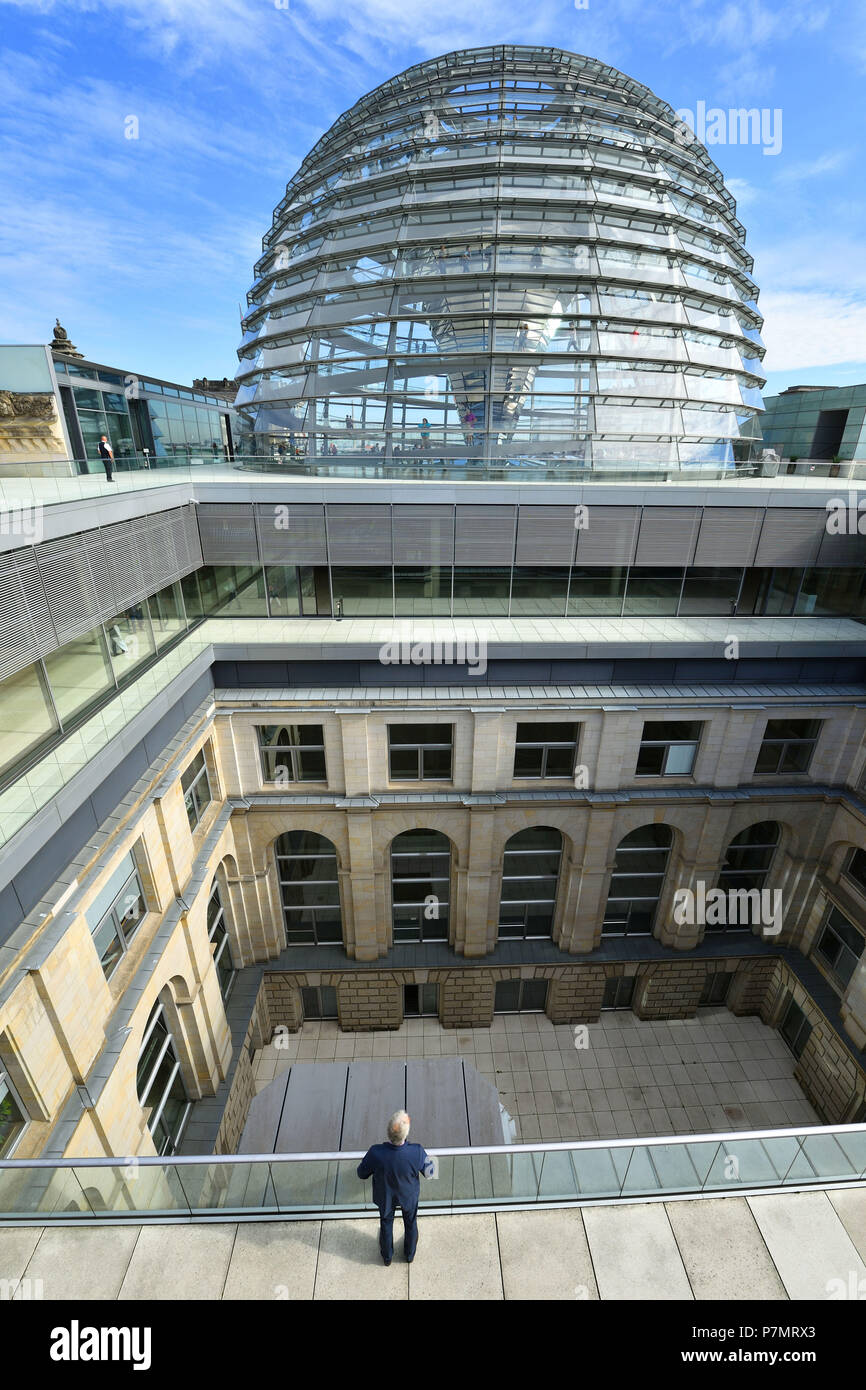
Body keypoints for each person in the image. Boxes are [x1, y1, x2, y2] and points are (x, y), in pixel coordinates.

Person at [357, 1110, 435, 1265]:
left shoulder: (376, 1152)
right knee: (411, 1223)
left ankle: (387, 1257)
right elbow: (431, 1172)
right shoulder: (417, 1151)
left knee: (386, 1223)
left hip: (385, 1196)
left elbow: (361, 1173)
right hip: (408, 1195)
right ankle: (409, 1255)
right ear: (405, 1135)